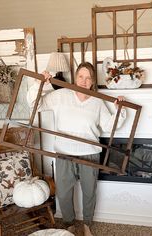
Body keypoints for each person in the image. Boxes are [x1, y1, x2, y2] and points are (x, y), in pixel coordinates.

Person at [27, 62, 126, 236]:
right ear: (75, 77)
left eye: (88, 78)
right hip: (64, 153)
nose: (83, 81)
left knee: (89, 192)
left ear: (93, 81)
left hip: (90, 154)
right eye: (81, 76)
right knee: (64, 193)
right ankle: (69, 225)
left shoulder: (97, 101)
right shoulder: (61, 95)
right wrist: (40, 84)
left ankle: (87, 225)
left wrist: (120, 110)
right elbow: (36, 104)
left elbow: (110, 125)